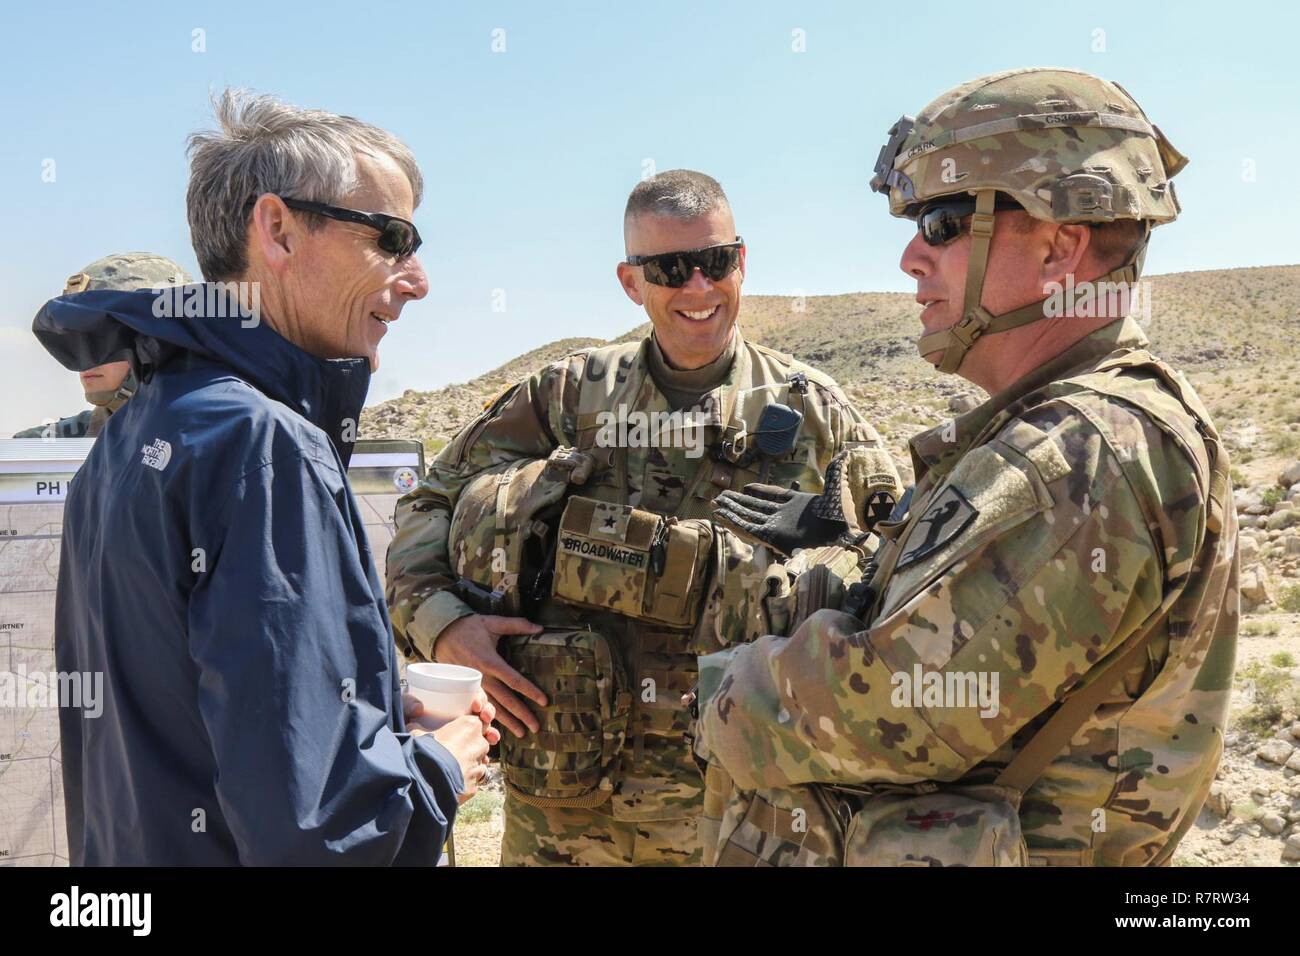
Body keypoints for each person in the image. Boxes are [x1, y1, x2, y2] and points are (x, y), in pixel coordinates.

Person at [698, 67, 1238, 867]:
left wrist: (724, 691)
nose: (913, 257)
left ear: (1061, 244)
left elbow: (900, 708)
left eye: (946, 222)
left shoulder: (1082, 451)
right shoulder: (1058, 429)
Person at [34, 89, 495, 865]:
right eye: (392, 237)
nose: (416, 280)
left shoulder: (140, 433)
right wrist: (441, 767)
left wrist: (370, 705)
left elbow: (194, 726)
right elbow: (314, 835)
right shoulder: (265, 448)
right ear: (277, 229)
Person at [386, 169, 899, 865]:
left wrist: (830, 549)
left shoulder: (814, 410)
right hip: (566, 809)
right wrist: (442, 625)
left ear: (741, 262)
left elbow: (900, 561)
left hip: (744, 812)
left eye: (714, 262)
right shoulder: (568, 395)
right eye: (669, 268)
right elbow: (430, 499)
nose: (697, 288)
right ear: (632, 282)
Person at [13, 253, 191, 438]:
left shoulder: (212, 439)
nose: (85, 355)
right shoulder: (43, 447)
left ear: (160, 342)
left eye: (102, 337)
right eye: (77, 337)